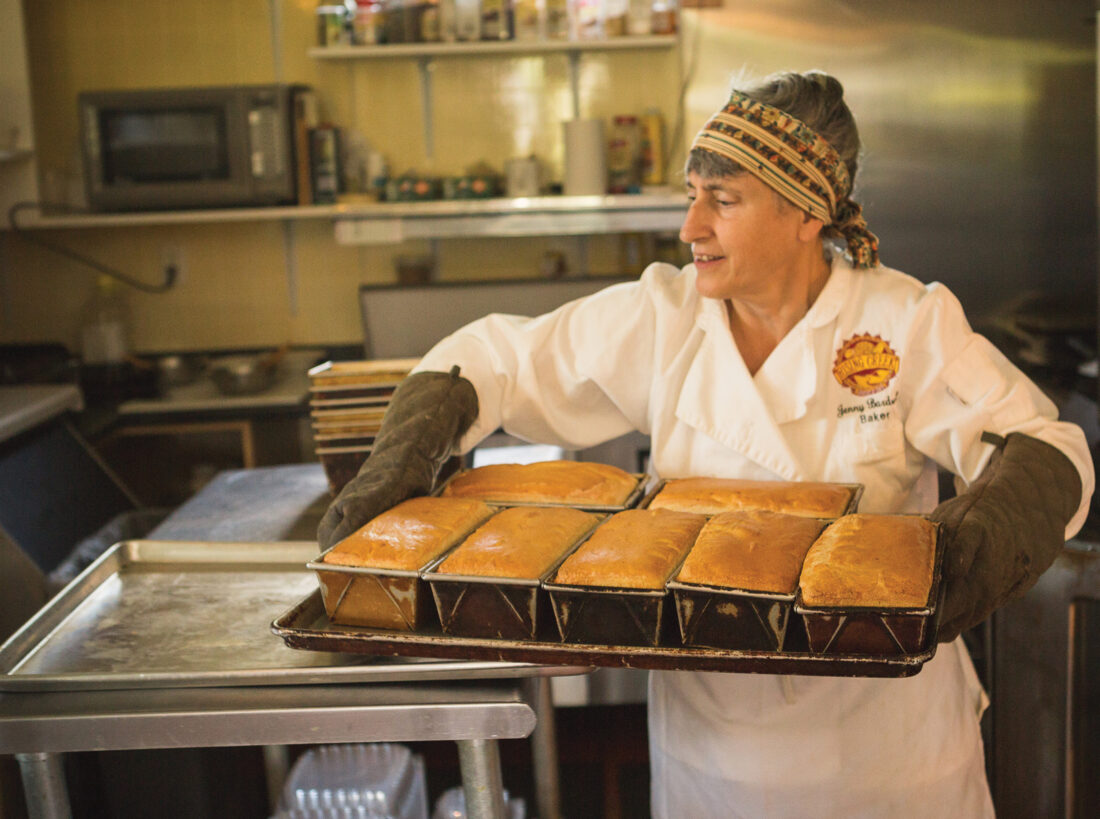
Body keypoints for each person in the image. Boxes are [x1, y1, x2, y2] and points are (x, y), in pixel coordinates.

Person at [319, 71, 1094, 817]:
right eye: (692, 195)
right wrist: (401, 457)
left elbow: (1045, 443)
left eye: (722, 200)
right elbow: (494, 360)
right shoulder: (666, 318)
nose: (691, 227)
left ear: (806, 212)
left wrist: (973, 548)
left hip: (886, 762)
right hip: (713, 762)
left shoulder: (903, 323)